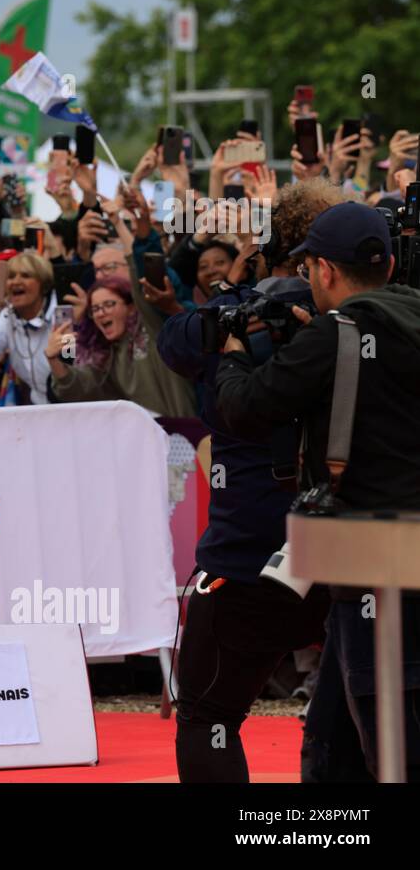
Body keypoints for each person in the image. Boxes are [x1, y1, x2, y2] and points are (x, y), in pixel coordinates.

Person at [214, 202, 420, 780]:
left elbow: (248, 409)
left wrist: (230, 359)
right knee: (333, 731)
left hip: (365, 555)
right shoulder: (400, 320)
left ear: (323, 271)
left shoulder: (336, 335)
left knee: (389, 738)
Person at [157, 181, 334, 782]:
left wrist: (235, 297)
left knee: (207, 714)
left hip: (246, 552)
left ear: (266, 245)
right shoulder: (367, 318)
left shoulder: (234, 317)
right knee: (345, 713)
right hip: (348, 550)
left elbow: (174, 343)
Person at [45, 261, 197, 416]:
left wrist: (134, 243)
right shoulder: (104, 352)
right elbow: (76, 389)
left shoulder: (152, 327)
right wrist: (54, 359)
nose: (101, 313)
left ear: (131, 307)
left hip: (185, 430)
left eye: (109, 304)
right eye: (95, 309)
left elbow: (139, 272)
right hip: (144, 435)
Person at [0, 253, 57, 405]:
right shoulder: (6, 317)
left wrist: (65, 345)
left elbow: (70, 362)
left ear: (43, 283)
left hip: (77, 408)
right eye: (11, 276)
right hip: (40, 410)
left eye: (26, 275)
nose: (16, 281)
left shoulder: (63, 315)